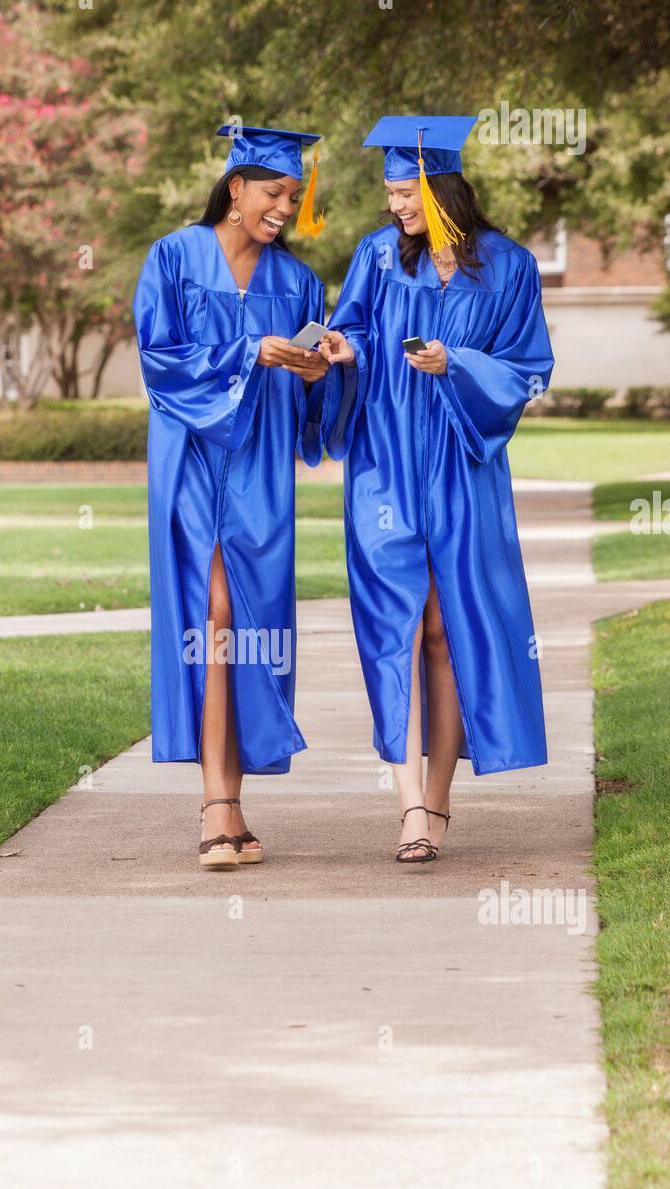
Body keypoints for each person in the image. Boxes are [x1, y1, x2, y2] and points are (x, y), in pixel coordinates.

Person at [319, 115, 554, 864]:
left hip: (463, 461)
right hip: (385, 460)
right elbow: (350, 333)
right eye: (389, 193)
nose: (395, 207)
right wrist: (339, 347)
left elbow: (526, 369)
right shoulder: (379, 257)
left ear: (439, 185)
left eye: (404, 191)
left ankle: (441, 799)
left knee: (448, 633)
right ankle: (409, 806)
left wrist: (458, 363)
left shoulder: (510, 267)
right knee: (398, 624)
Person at [132, 122, 329, 869]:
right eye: (275, 192)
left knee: (250, 623)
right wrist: (250, 350)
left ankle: (233, 808)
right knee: (211, 614)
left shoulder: (299, 282)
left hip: (261, 465)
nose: (284, 206)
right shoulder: (175, 257)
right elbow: (159, 359)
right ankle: (217, 806)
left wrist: (318, 372)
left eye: (294, 195)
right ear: (236, 187)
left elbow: (320, 393)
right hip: (190, 456)